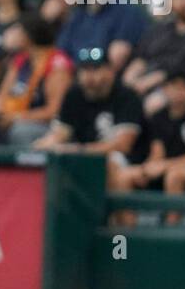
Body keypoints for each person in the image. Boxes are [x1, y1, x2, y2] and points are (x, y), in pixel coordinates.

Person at [35, 47, 145, 190]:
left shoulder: (126, 96)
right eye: (85, 70)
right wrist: (42, 146)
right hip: (83, 154)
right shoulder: (74, 94)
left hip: (127, 159)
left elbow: (123, 145)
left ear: (110, 71)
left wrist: (80, 150)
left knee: (106, 162)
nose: (89, 76)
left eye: (96, 69)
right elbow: (60, 134)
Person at [118, 69, 185, 214]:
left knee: (174, 176)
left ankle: (172, 229)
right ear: (165, 89)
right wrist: (148, 168)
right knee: (126, 175)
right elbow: (157, 151)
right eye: (174, 86)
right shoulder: (158, 117)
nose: (179, 92)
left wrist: (163, 166)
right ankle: (125, 229)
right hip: (163, 166)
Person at [0, 14, 72, 145]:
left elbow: (54, 111)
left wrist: (17, 118)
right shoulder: (20, 61)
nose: (10, 34)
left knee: (20, 131)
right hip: (15, 116)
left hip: (47, 126)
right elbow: (1, 96)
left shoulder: (57, 65)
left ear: (29, 36)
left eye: (16, 30)